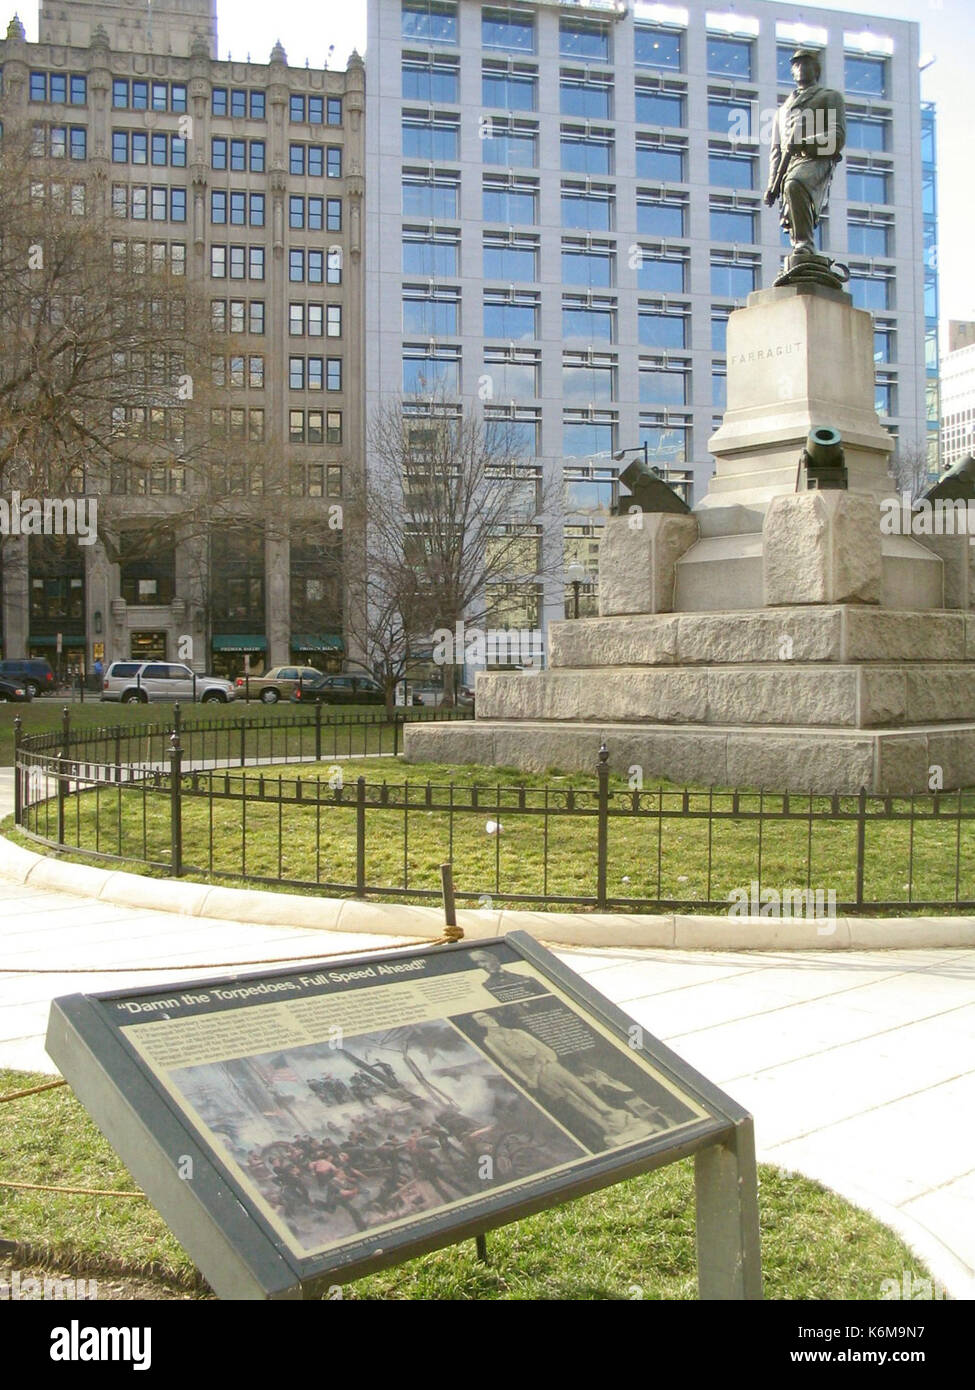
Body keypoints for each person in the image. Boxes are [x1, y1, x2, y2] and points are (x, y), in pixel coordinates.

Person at [764, 48, 846, 258]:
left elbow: (836, 138)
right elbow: (776, 151)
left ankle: (805, 243)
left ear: (816, 69)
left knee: (795, 184)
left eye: (806, 63)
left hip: (816, 158)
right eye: (796, 64)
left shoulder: (828, 97)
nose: (801, 68)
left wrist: (803, 143)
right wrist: (772, 184)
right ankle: (800, 248)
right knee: (790, 193)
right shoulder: (781, 111)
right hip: (788, 165)